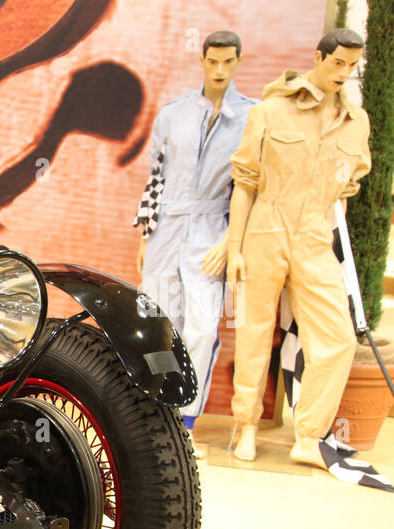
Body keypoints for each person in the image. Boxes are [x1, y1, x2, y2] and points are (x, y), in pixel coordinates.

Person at [225, 29, 371, 468]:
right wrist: (235, 248)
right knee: (253, 332)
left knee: (339, 338)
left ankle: (309, 433)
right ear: (319, 58)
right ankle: (246, 423)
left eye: (352, 65)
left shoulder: (356, 121)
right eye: (338, 63)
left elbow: (347, 188)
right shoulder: (271, 110)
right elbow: (244, 183)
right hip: (265, 228)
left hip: (314, 235)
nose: (344, 73)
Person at [133, 31, 256, 455]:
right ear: (202, 60)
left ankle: (186, 423)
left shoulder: (252, 117)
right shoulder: (174, 113)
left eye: (228, 62)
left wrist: (232, 241)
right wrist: (147, 233)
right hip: (167, 226)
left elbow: (251, 185)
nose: (220, 70)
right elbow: (156, 174)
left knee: (202, 327)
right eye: (213, 61)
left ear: (239, 61)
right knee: (155, 322)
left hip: (211, 227)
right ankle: (152, 416)